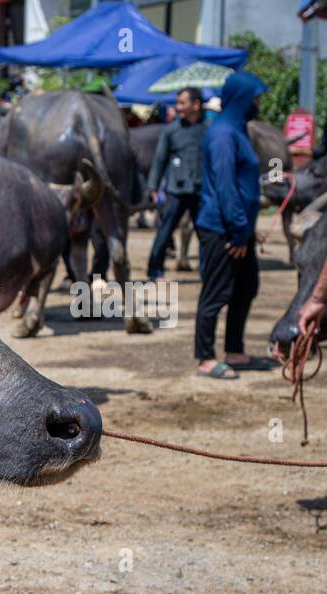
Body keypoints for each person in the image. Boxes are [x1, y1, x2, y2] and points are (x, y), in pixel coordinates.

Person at [193, 72, 268, 380]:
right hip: (222, 229)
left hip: (239, 229)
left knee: (246, 286)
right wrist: (238, 229)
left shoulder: (237, 130)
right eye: (255, 97)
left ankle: (234, 350)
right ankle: (206, 358)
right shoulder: (223, 134)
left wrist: (248, 227)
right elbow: (226, 186)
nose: (258, 103)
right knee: (216, 291)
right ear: (241, 98)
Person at [146, 87, 208, 281]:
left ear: (196, 105)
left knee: (206, 234)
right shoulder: (171, 131)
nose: (178, 107)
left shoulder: (208, 129)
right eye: (177, 103)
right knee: (165, 230)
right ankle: (155, 270)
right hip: (176, 189)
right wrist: (152, 187)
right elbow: (159, 160)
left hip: (201, 189)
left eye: (182, 103)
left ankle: (207, 271)